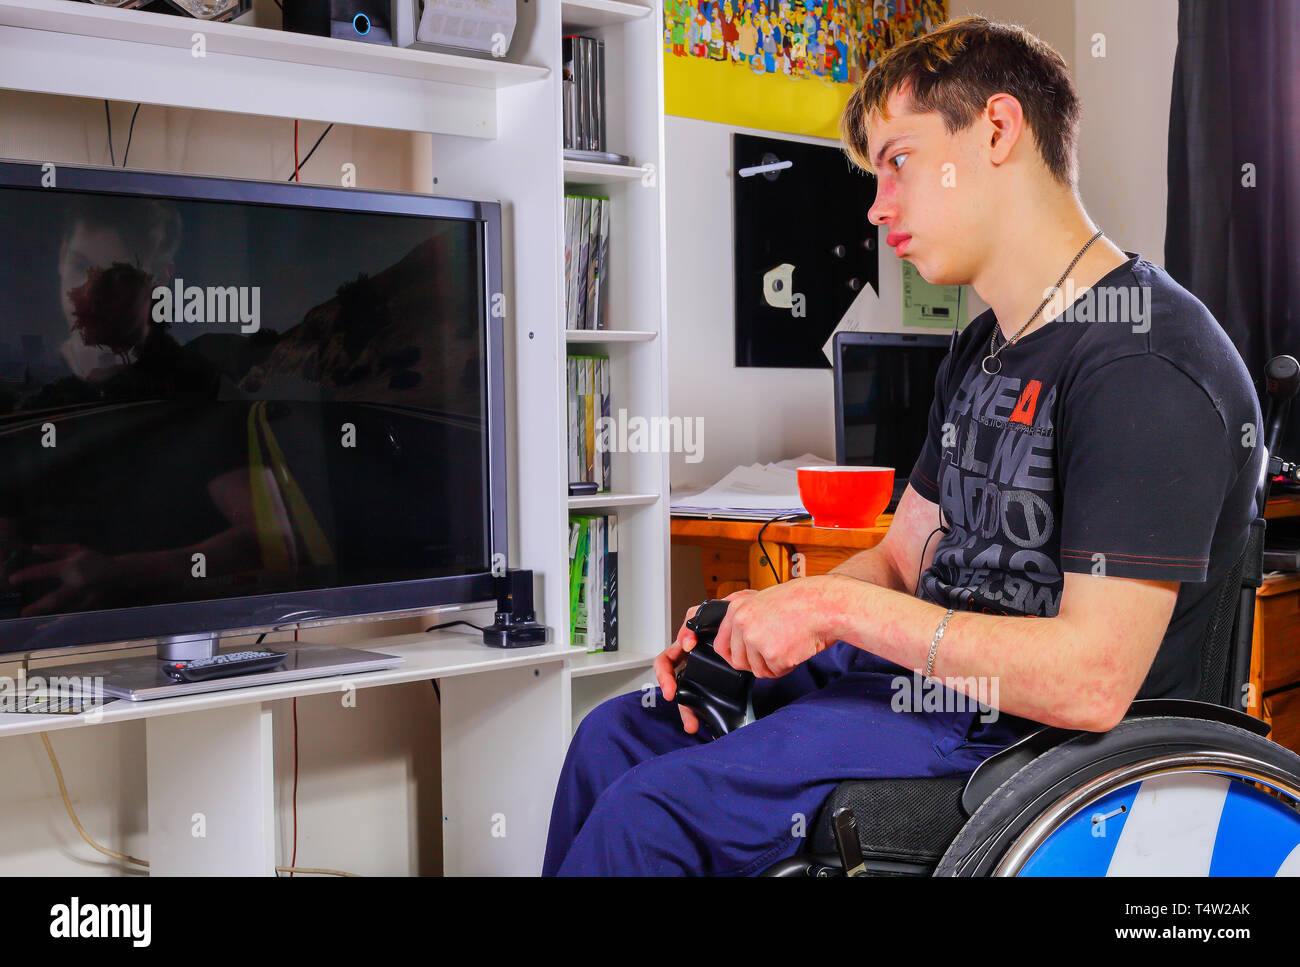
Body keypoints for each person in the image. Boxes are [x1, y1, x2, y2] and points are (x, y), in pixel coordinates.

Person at [543, 15, 1264, 876]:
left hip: (1023, 743)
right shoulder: (983, 345)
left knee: (650, 814)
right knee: (614, 738)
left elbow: (1090, 678)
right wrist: (756, 622)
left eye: (899, 161)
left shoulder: (1145, 358)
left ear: (997, 130)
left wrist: (830, 609)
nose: (878, 205)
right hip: (920, 694)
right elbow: (899, 558)